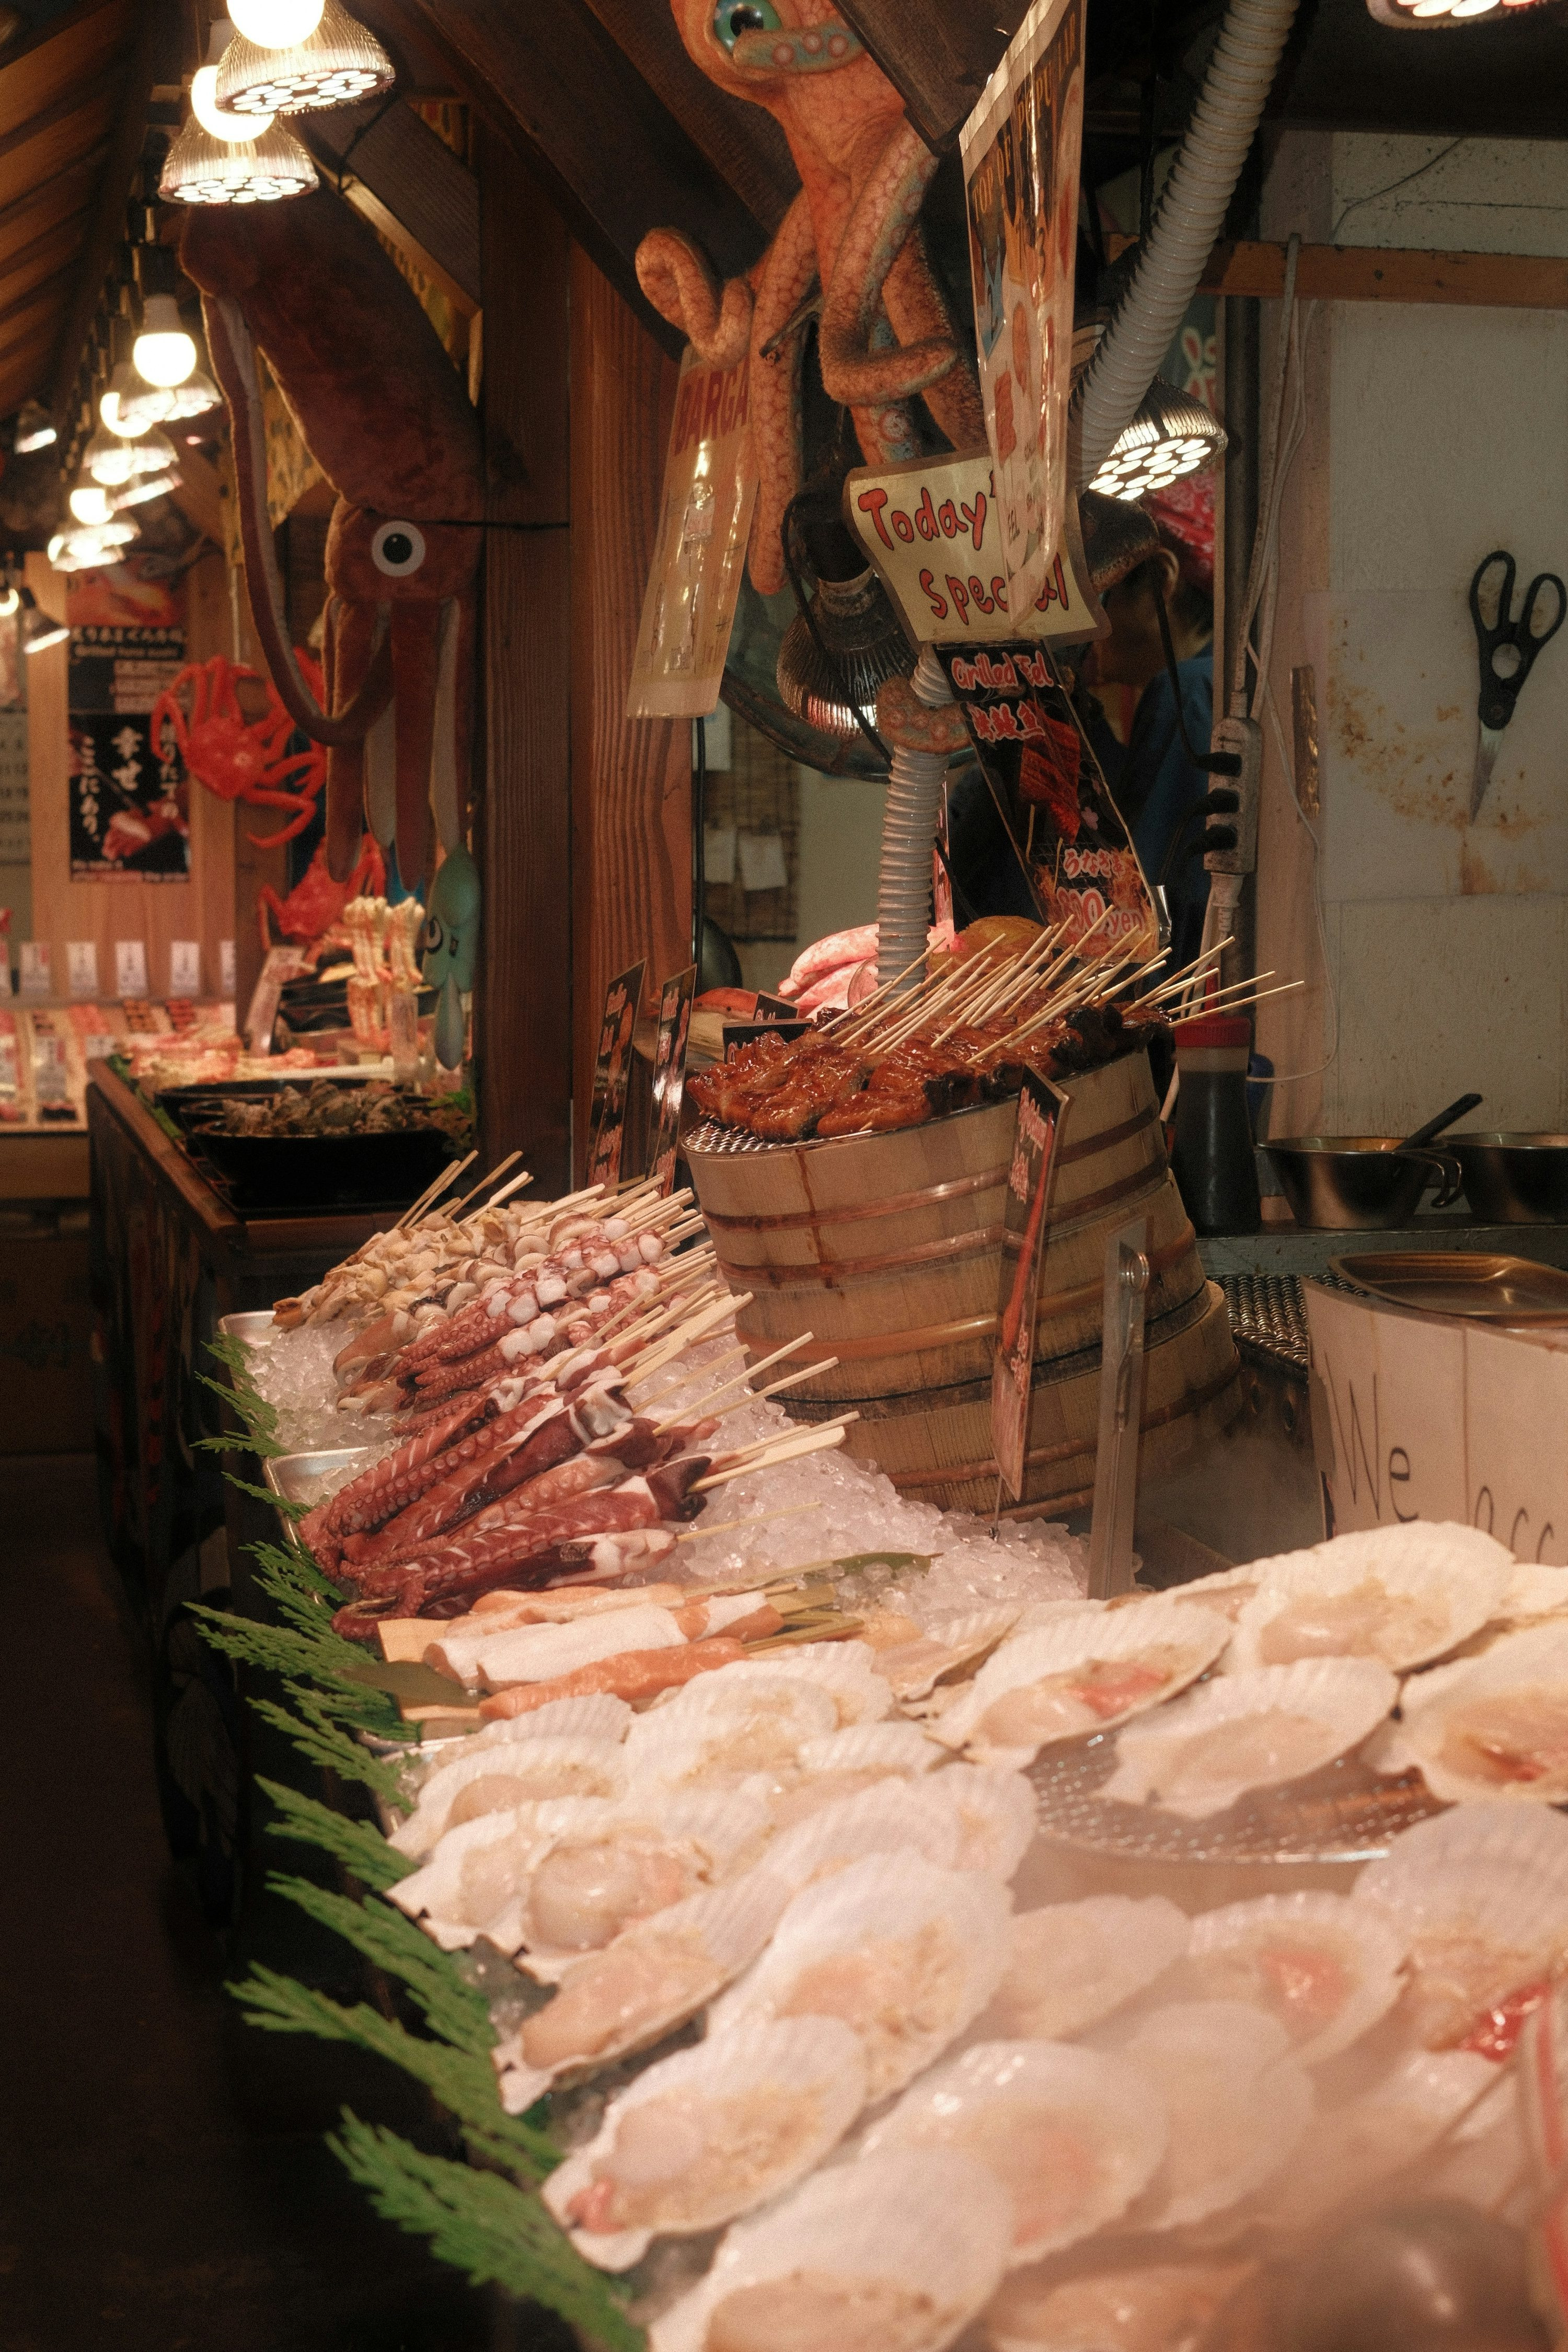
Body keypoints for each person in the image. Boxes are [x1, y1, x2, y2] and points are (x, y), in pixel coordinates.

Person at [1080, 471, 1217, 968]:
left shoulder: (1189, 692)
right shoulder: (1214, 681)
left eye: (1097, 595)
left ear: (1160, 580)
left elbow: (1142, 904)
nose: (1084, 623)